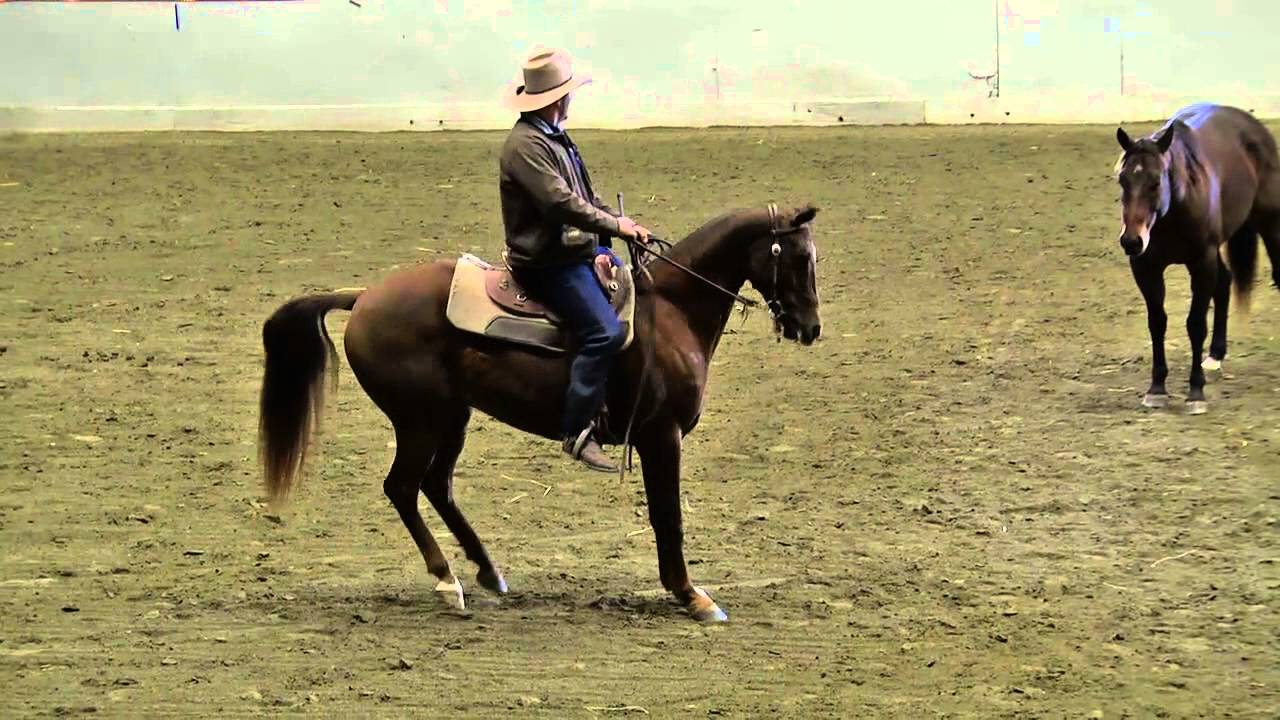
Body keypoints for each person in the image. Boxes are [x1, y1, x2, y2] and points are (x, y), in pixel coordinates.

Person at [498, 48, 652, 473]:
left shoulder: (553, 137)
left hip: (573, 249)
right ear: (557, 98)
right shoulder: (525, 147)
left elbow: (585, 198)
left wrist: (619, 224)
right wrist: (614, 227)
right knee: (603, 331)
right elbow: (561, 204)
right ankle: (578, 429)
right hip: (549, 263)